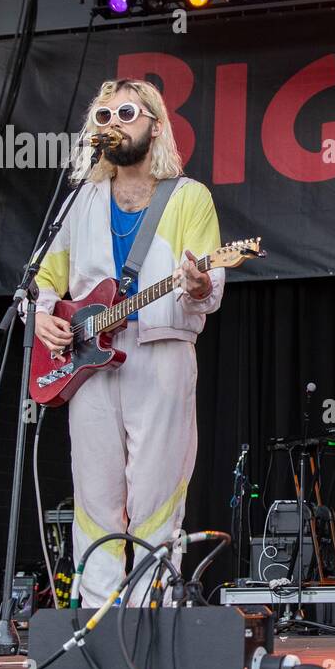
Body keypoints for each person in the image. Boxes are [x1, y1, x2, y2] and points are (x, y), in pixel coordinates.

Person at [26, 78, 225, 607]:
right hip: (89, 363)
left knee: (156, 492)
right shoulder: (80, 202)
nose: (114, 123)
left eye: (127, 113)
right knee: (94, 493)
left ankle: (149, 614)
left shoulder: (188, 197)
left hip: (160, 352)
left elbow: (208, 285)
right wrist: (42, 315)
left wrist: (202, 284)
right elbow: (43, 280)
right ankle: (95, 619)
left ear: (154, 125)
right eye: (104, 116)